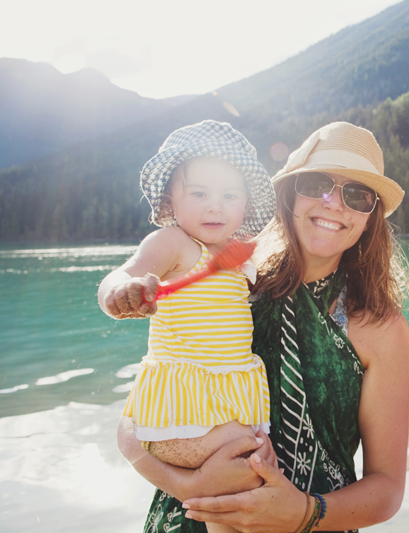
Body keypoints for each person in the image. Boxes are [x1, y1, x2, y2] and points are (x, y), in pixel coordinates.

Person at [117, 121, 409, 533]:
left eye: (357, 195)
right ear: (289, 195)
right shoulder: (231, 280)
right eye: (316, 184)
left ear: (370, 217)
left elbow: (387, 490)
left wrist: (303, 512)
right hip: (190, 516)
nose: (333, 204)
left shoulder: (380, 327)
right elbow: (135, 421)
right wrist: (190, 485)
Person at [99, 120, 277, 533]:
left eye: (229, 196)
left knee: (244, 485)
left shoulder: (233, 255)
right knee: (245, 469)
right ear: (170, 202)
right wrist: (121, 292)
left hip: (220, 403)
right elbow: (122, 274)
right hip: (183, 408)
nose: (215, 207)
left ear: (245, 204)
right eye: (199, 194)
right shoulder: (174, 243)